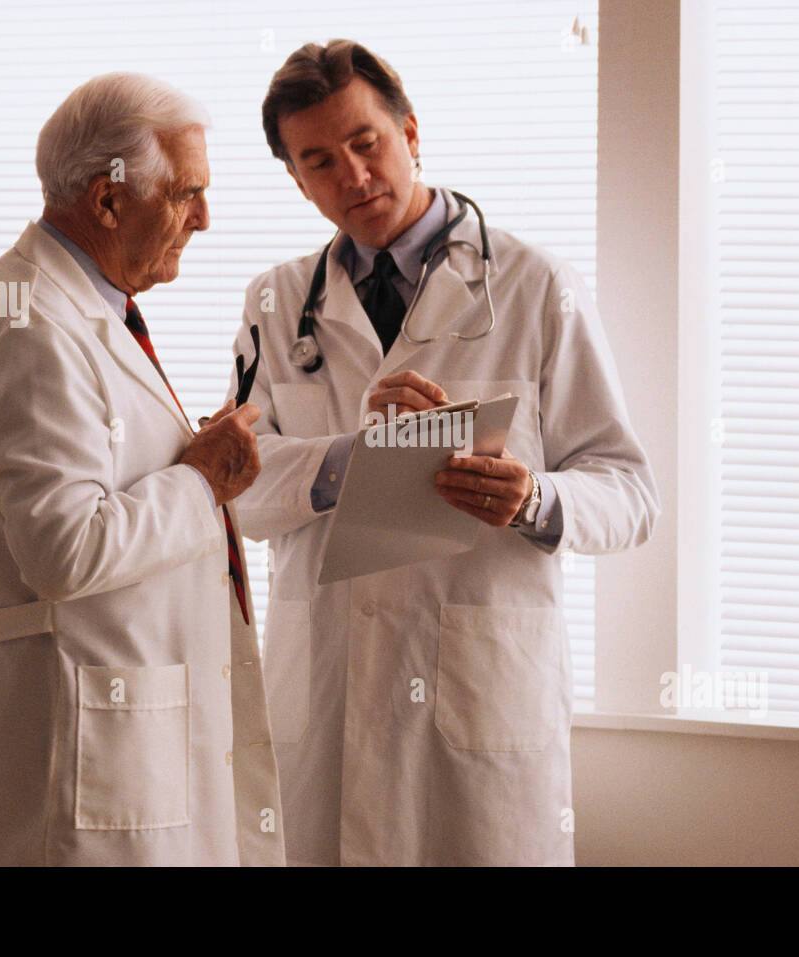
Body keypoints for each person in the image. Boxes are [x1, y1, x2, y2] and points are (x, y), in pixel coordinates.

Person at [229, 40, 660, 865]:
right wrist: (349, 458)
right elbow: (239, 493)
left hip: (478, 696)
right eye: (318, 160)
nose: (353, 177)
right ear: (294, 177)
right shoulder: (277, 302)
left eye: (367, 143)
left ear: (410, 131)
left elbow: (630, 491)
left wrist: (535, 499)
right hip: (326, 690)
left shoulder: (534, 286)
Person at [0, 73, 284, 866]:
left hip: (119, 735)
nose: (205, 219)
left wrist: (194, 469)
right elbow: (64, 548)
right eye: (187, 194)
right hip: (78, 751)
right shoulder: (34, 327)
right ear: (108, 200)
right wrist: (201, 481)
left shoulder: (80, 308)